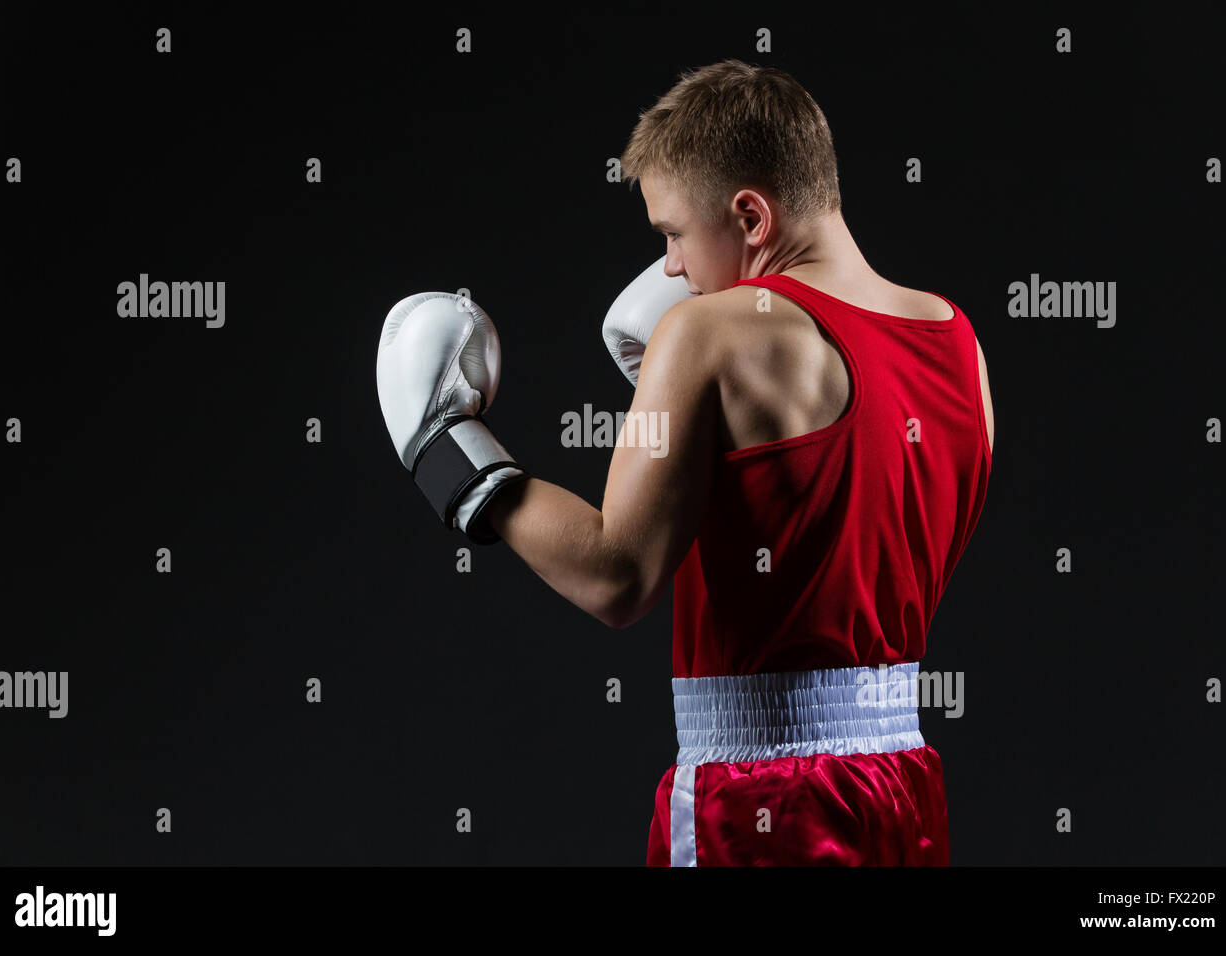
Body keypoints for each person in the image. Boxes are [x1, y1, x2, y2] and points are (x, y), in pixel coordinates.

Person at [376, 59, 993, 866]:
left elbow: (616, 577)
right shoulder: (956, 341)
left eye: (672, 233)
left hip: (759, 800)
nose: (670, 266)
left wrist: (448, 453)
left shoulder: (707, 334)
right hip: (903, 790)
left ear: (751, 216)